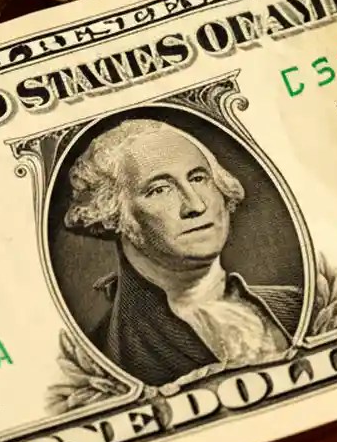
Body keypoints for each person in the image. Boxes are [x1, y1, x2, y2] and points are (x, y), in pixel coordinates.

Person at [64, 117, 302, 387]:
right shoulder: (107, 359)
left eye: (199, 178)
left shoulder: (295, 306)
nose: (195, 204)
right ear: (112, 214)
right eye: (159, 189)